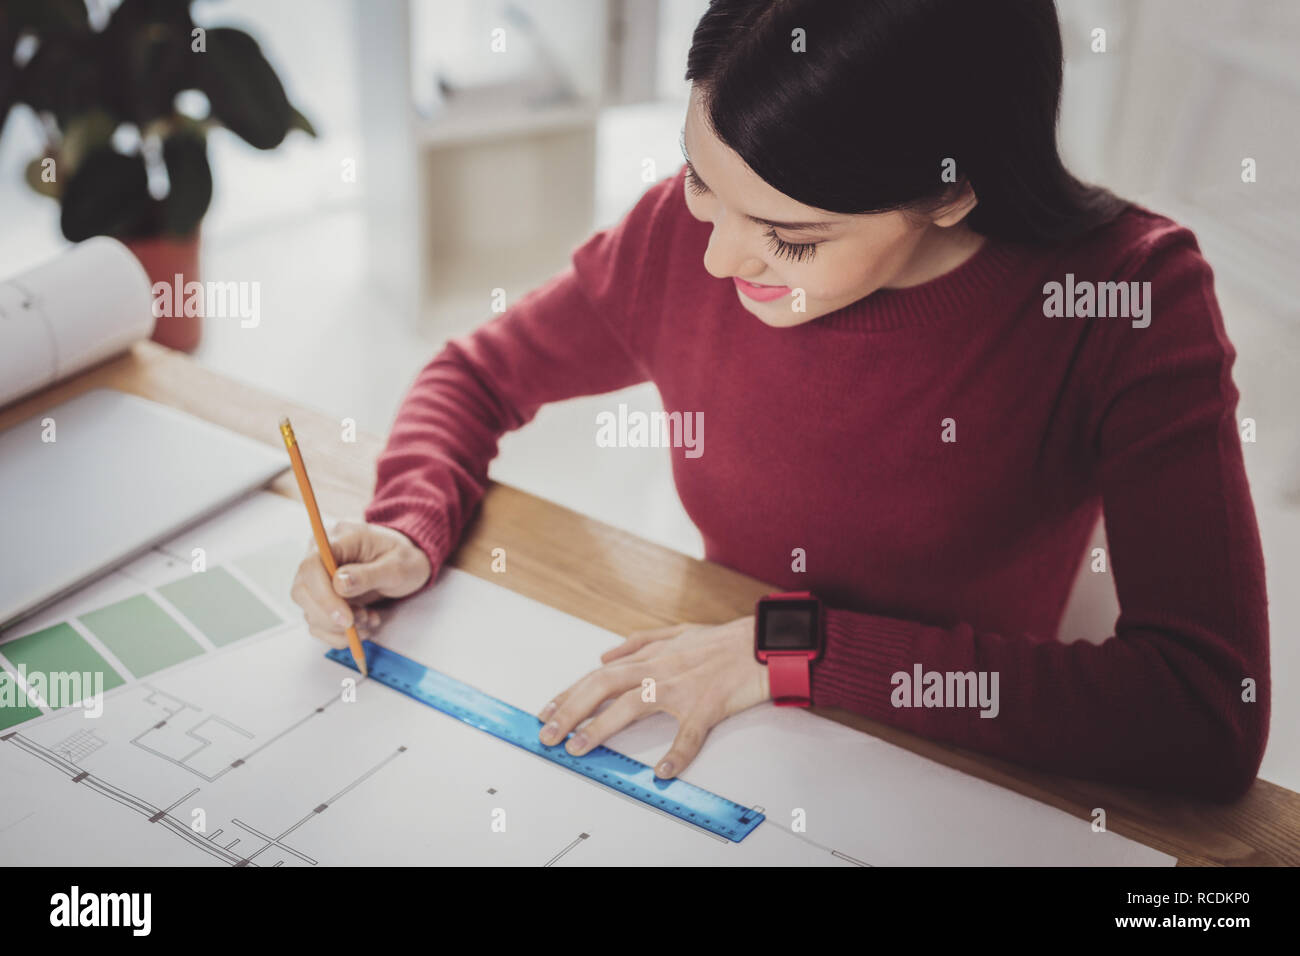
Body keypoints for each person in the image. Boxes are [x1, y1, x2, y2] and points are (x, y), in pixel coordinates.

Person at [290, 0, 1269, 801]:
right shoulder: (681, 235)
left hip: (956, 757)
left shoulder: (1127, 298)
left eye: (788, 235)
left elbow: (1205, 710)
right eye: (698, 178)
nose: (716, 257)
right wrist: (411, 521)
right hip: (728, 711)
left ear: (950, 191)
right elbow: (474, 372)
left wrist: (795, 649)